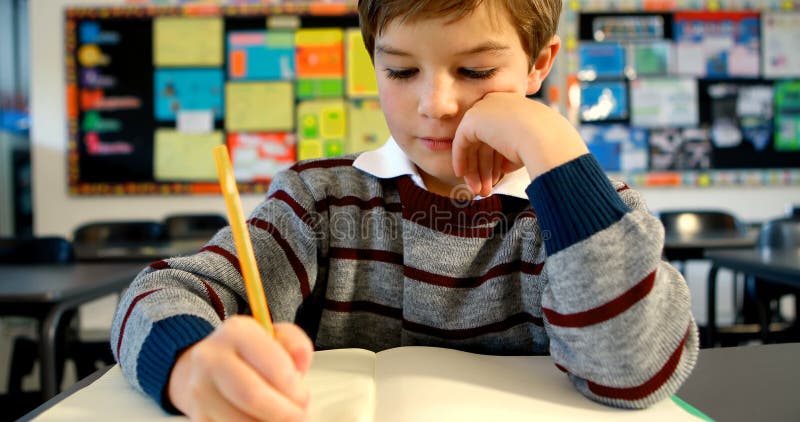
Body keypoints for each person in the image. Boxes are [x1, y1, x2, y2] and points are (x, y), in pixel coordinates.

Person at [111, 1, 698, 420]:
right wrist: (188, 360)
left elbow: (633, 369)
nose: (434, 104)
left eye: (475, 71)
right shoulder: (319, 200)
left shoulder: (590, 213)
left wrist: (551, 141)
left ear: (539, 64)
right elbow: (161, 292)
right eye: (400, 71)